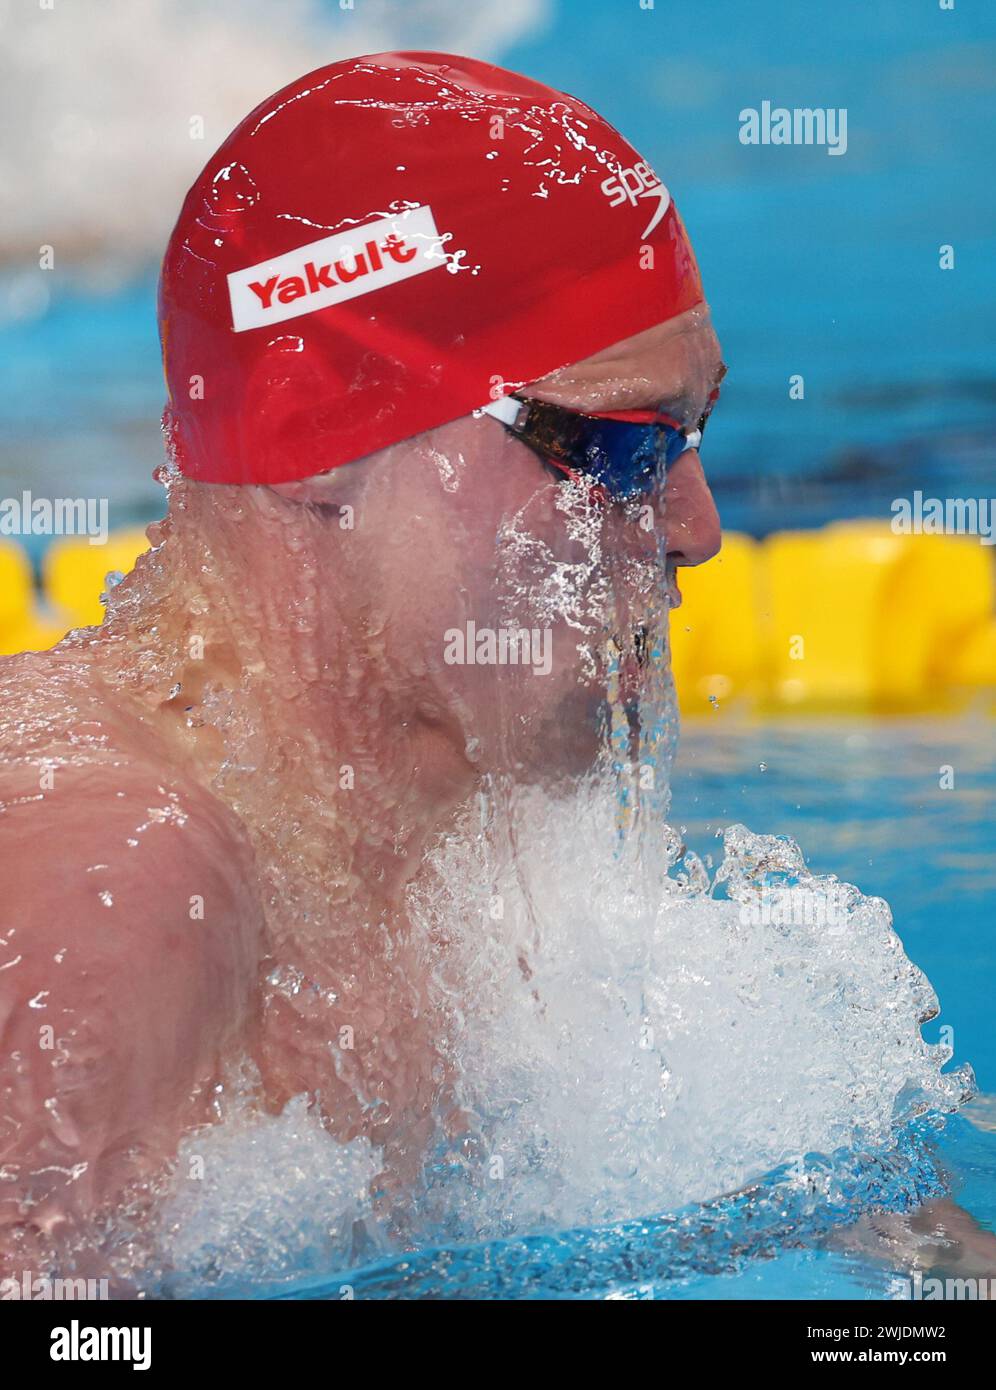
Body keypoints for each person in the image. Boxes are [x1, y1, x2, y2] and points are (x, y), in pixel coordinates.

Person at [0, 51, 989, 1286]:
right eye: (619, 447)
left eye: (691, 436)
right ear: (318, 430)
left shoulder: (470, 799)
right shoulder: (109, 888)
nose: (698, 524)